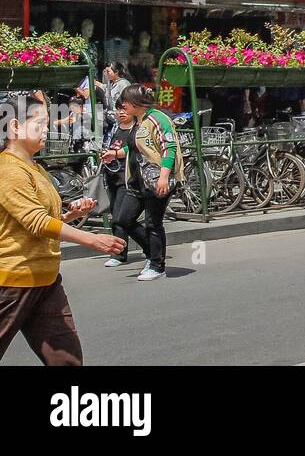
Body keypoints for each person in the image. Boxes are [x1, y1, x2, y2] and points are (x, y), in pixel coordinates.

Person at [1, 91, 124, 365]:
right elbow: (36, 221)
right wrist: (92, 240)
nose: (47, 129)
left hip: (45, 281)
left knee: (66, 360)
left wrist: (71, 214)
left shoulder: (35, 167)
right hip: (11, 280)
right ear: (15, 127)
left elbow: (43, 219)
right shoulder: (8, 170)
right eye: (39, 123)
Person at [112, 85, 183, 282]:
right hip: (136, 181)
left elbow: (169, 148)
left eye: (125, 102)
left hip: (155, 181)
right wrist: (116, 154)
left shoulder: (157, 119)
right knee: (123, 219)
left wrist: (163, 176)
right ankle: (152, 251)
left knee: (153, 223)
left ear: (135, 103)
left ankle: (157, 265)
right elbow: (135, 146)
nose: (123, 107)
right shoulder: (138, 121)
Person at [97, 104, 135, 268]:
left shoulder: (136, 129)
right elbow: (107, 145)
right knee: (116, 215)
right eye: (119, 109)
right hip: (111, 175)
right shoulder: (113, 128)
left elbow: (133, 147)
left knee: (120, 218)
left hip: (126, 178)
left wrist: (116, 154)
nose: (121, 112)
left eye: (125, 109)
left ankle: (119, 254)